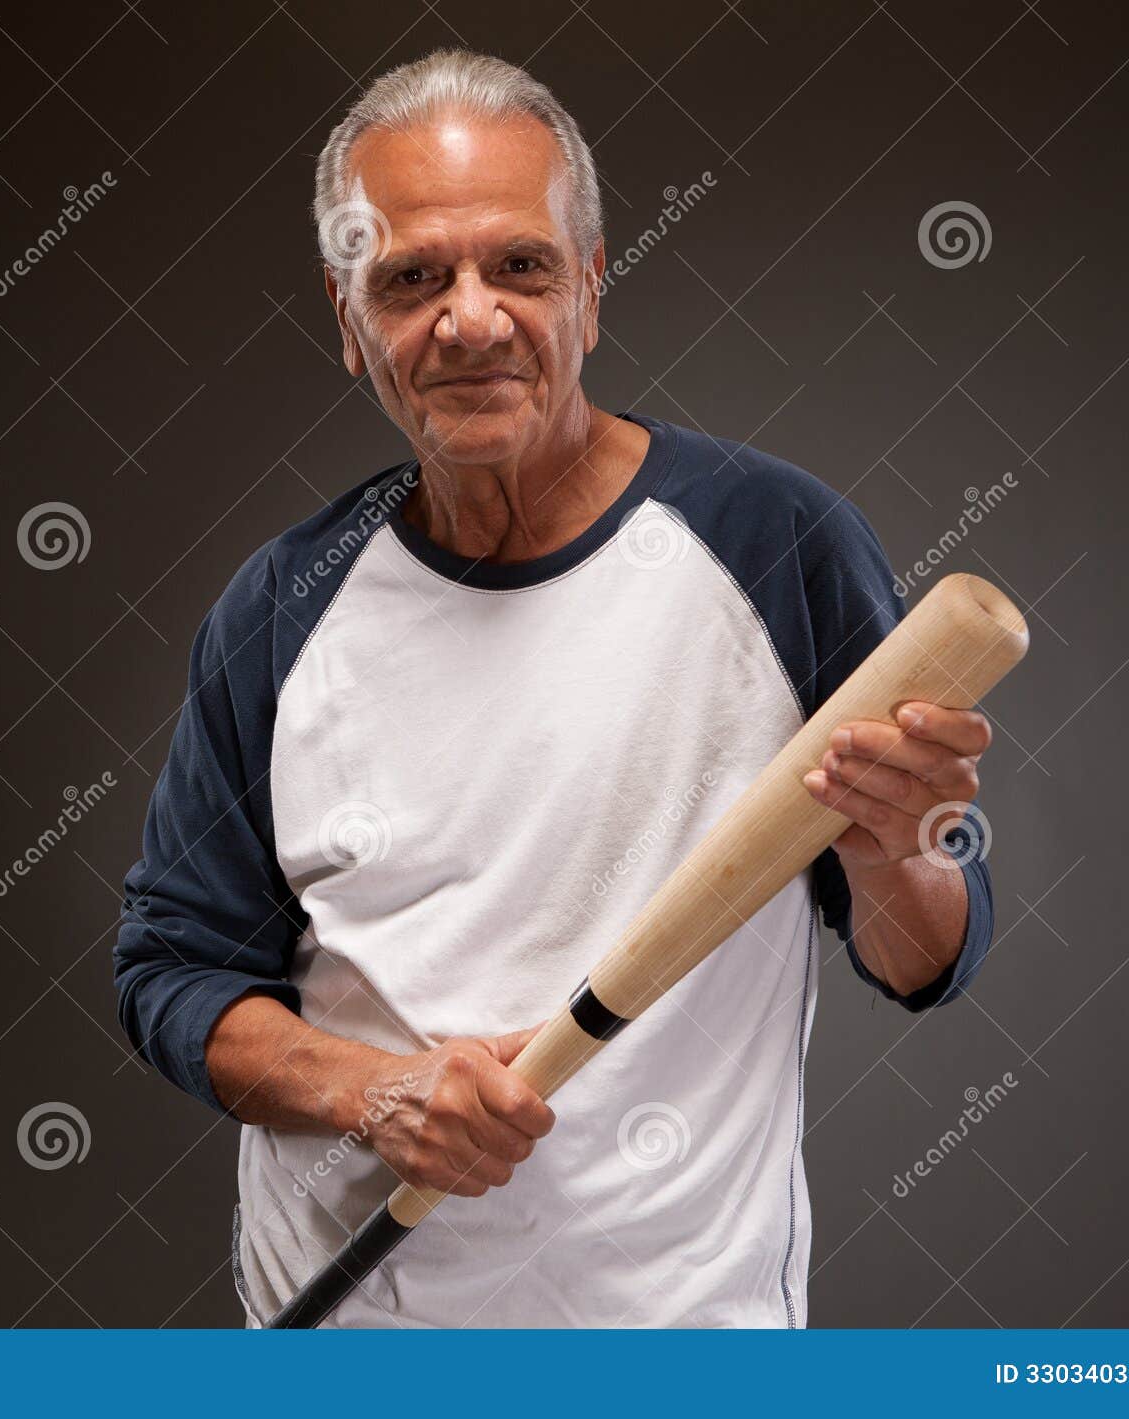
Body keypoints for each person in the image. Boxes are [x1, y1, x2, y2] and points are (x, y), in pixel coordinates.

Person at [114, 48, 995, 1328]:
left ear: (589, 282)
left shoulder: (775, 549)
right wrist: (368, 1091)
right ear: (348, 322)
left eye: (518, 265)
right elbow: (171, 970)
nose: (471, 320)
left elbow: (929, 957)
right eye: (411, 279)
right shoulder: (279, 608)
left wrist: (889, 852)